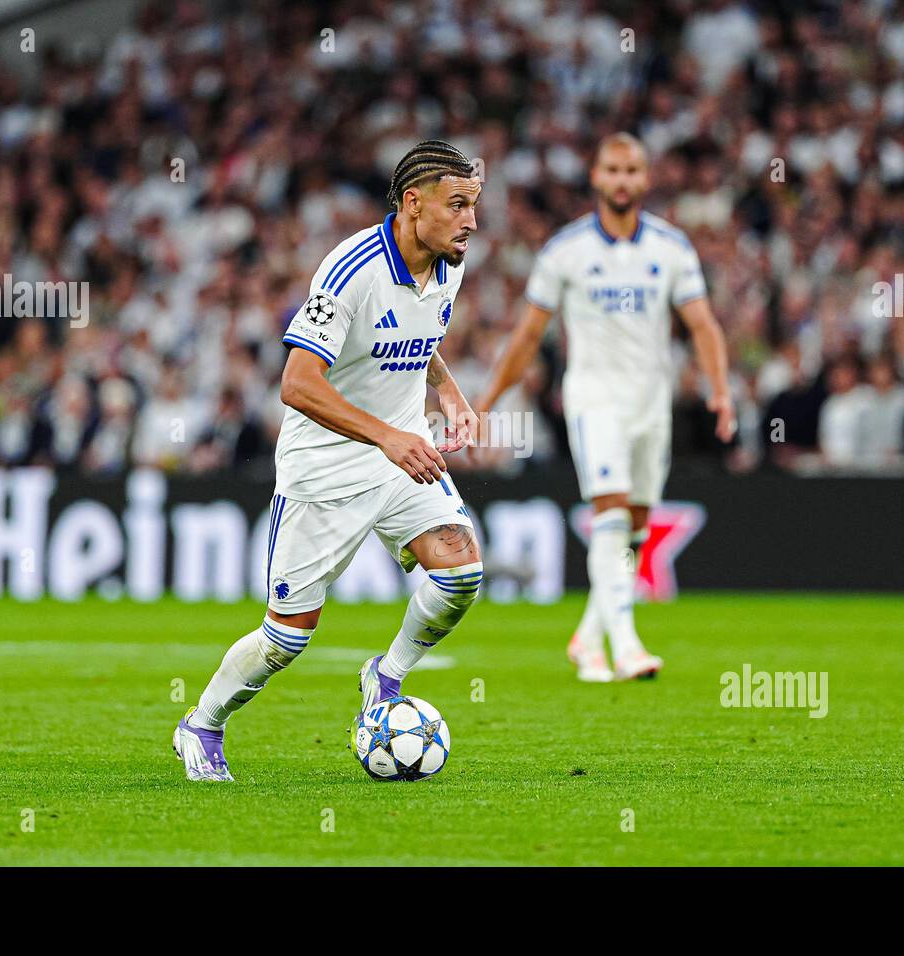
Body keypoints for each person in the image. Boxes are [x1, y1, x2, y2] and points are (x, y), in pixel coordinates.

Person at [174, 141, 484, 781]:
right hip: (327, 467)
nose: (471, 222)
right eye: (458, 205)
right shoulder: (350, 271)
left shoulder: (447, 264)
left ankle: (386, 676)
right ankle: (201, 725)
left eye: (474, 206)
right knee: (287, 637)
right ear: (412, 203)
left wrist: (446, 390)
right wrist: (387, 438)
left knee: (460, 572)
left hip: (399, 453)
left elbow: (413, 337)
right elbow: (298, 384)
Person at [475, 133, 734, 683]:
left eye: (632, 170)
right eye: (612, 169)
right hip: (594, 397)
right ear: (595, 176)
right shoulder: (566, 251)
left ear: (645, 179)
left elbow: (702, 323)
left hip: (650, 402)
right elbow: (527, 335)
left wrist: (720, 389)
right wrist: (488, 401)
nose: (622, 180)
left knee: (635, 529)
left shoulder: (671, 248)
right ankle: (628, 646)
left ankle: (588, 638)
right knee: (611, 514)